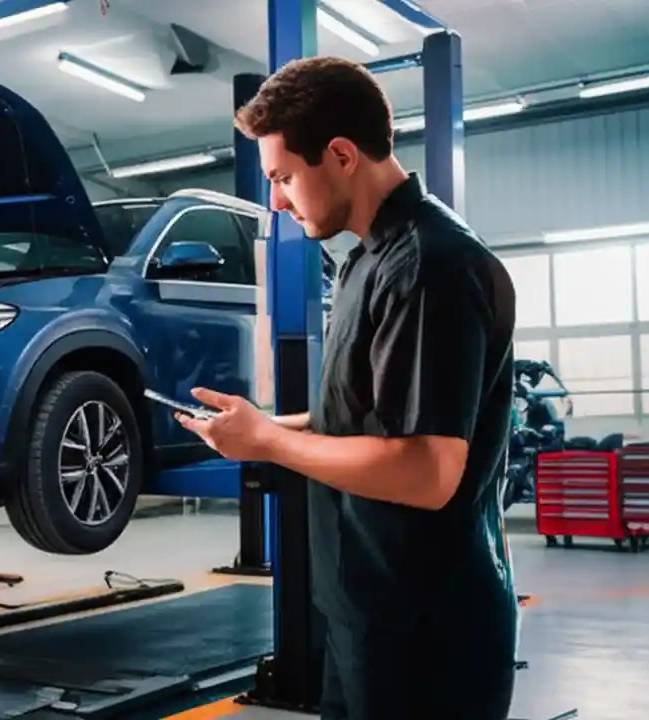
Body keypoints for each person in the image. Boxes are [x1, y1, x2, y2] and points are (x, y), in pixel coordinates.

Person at [176, 57, 519, 720]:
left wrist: (272, 443)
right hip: (373, 614)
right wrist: (261, 428)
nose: (276, 200)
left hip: (428, 637)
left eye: (282, 177)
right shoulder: (367, 259)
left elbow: (426, 470)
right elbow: (367, 418)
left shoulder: (430, 266)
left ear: (339, 154)